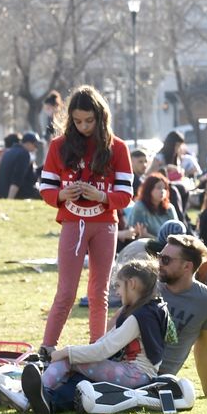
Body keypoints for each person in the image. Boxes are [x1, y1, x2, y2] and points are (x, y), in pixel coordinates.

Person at [37, 85, 134, 348]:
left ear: (101, 117)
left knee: (99, 292)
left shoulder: (118, 147)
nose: (84, 127)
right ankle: (47, 348)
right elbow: (46, 189)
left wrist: (101, 196)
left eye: (89, 120)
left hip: (105, 224)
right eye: (78, 121)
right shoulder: (58, 146)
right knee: (66, 292)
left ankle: (96, 348)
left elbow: (126, 194)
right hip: (72, 222)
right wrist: (62, 194)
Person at [17, 259, 172, 414]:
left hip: (135, 375)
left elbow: (104, 349)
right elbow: (105, 341)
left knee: (69, 360)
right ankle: (45, 397)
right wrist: (75, 352)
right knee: (76, 366)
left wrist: (67, 352)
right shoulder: (148, 310)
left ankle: (28, 397)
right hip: (133, 373)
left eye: (118, 286)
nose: (117, 292)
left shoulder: (139, 316)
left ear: (132, 284)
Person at [151, 233, 207, 395]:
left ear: (187, 266)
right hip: (126, 367)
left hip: (159, 380)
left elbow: (205, 347)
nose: (159, 263)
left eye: (166, 260)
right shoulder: (149, 286)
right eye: (159, 257)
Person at [126, 172, 180, 237]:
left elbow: (177, 234)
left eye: (165, 188)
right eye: (158, 188)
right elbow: (138, 235)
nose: (162, 191)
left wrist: (149, 236)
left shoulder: (169, 208)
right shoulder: (140, 207)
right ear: (149, 189)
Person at [0, 131, 42, 199]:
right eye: (35, 145)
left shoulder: (9, 152)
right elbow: (17, 178)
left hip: (2, 193)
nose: (36, 148)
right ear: (28, 143)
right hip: (16, 195)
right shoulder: (24, 154)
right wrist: (10, 199)